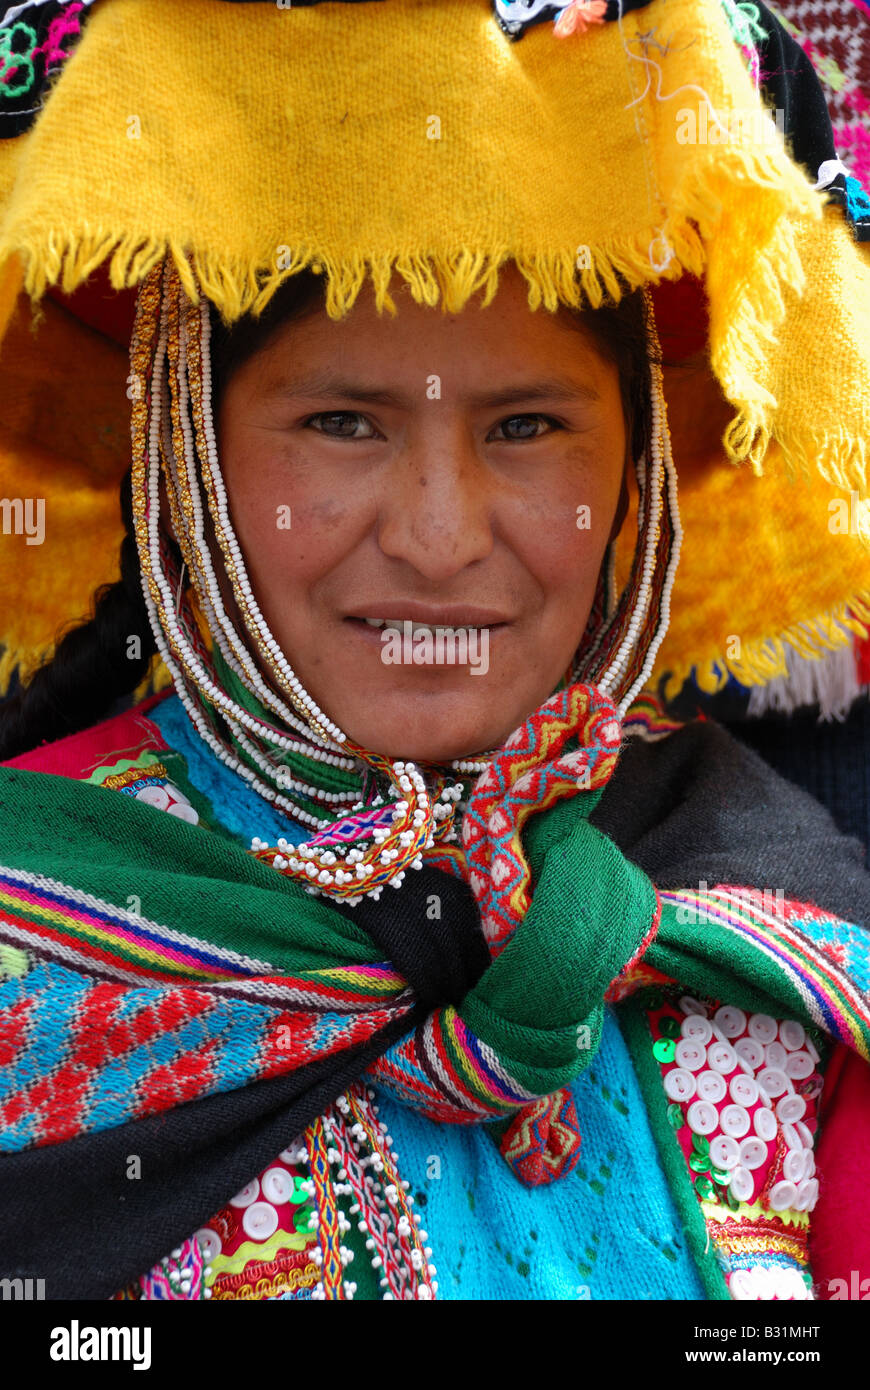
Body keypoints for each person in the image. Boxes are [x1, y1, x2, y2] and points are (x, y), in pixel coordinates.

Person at [0, 0, 869, 1303]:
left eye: (524, 427)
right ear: (185, 454)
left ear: (633, 468)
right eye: (341, 422)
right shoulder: (35, 915)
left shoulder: (782, 916)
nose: (437, 535)